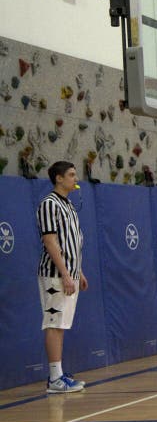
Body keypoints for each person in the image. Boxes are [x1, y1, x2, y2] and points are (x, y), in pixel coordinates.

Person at [37, 161, 88, 393]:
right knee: (54, 323)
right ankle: (55, 378)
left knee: (61, 324)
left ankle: (58, 373)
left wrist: (79, 272)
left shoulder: (68, 205)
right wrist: (66, 274)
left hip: (69, 275)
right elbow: (50, 242)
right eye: (71, 174)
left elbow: (72, 243)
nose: (75, 179)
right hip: (54, 276)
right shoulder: (49, 204)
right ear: (58, 178)